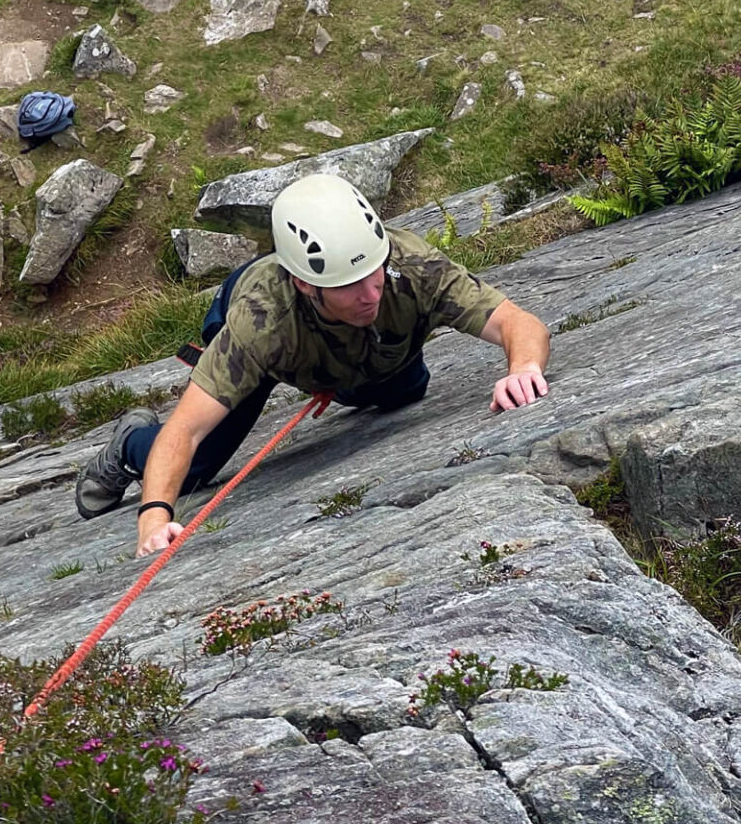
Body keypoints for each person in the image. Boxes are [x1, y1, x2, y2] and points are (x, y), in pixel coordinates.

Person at [73, 172, 551, 557]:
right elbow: (187, 429)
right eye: (349, 285)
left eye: (373, 274)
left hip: (366, 356)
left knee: (402, 390)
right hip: (270, 335)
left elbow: (516, 322)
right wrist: (155, 515)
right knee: (199, 463)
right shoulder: (262, 321)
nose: (370, 295)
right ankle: (129, 443)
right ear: (306, 284)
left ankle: (353, 373)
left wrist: (523, 368)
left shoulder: (409, 266)